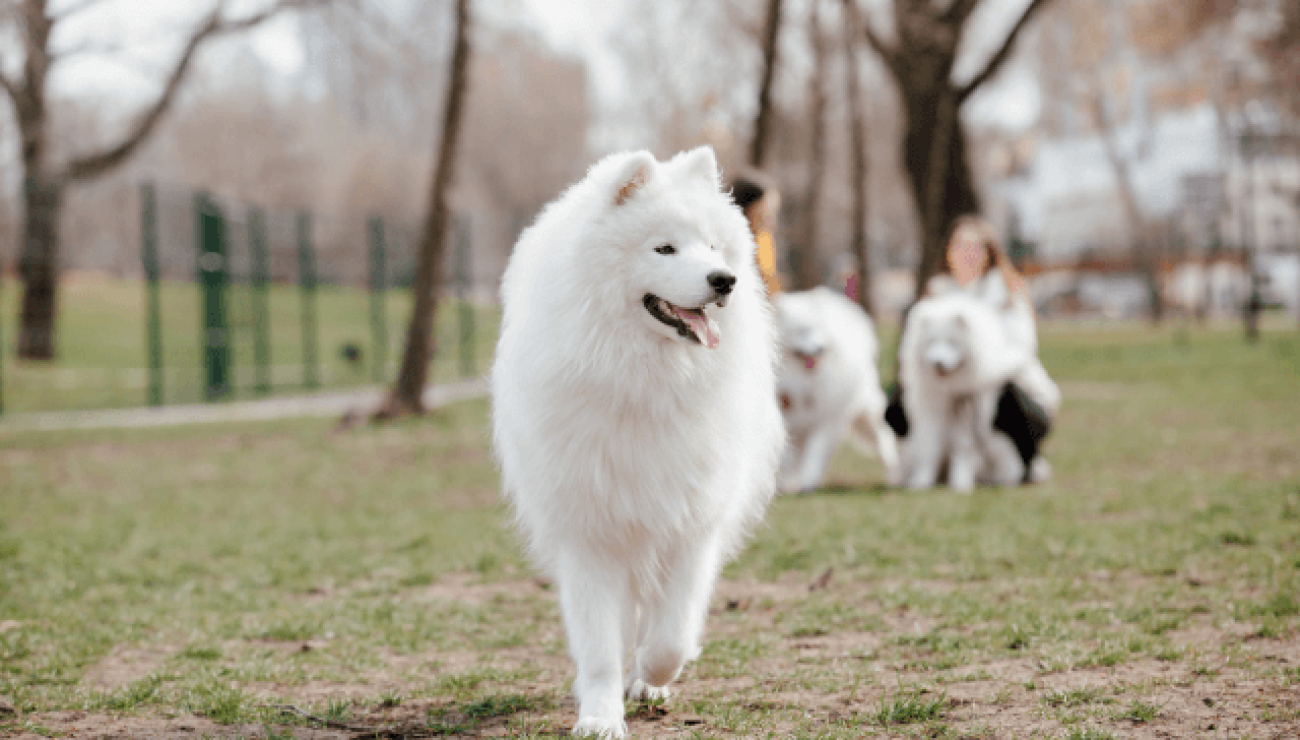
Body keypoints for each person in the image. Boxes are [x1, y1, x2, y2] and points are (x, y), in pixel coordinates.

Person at [887, 214, 1059, 483]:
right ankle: (931, 464)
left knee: (1001, 401)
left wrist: (976, 377)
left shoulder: (1008, 293)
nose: (965, 254)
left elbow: (1021, 351)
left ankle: (1021, 460)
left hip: (1004, 389)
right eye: (958, 246)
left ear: (988, 253)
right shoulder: (935, 294)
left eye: (974, 248)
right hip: (942, 386)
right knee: (899, 401)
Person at [730, 171, 783, 296]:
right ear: (747, 208)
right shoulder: (729, 241)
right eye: (764, 209)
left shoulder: (763, 238)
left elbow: (770, 283)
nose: (769, 216)